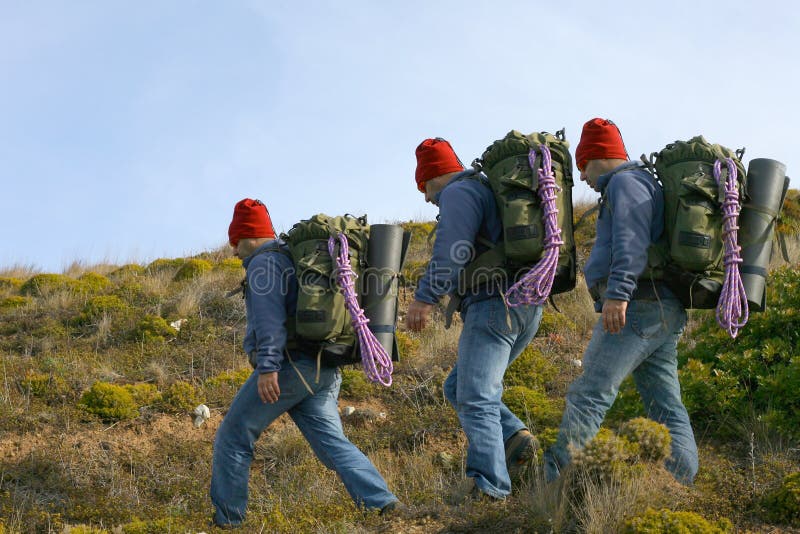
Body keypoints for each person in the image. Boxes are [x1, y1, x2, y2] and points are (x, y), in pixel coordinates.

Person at [210, 198, 401, 528]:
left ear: (249, 236)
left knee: (233, 436)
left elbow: (270, 321)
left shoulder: (264, 263)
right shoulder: (290, 256)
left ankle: (227, 522)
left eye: (236, 241)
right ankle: (382, 502)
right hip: (322, 367)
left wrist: (268, 367)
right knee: (332, 445)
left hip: (290, 367)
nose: (234, 250)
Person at [543, 118, 699, 484]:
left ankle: (555, 484)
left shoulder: (625, 182)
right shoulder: (642, 181)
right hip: (661, 307)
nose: (583, 176)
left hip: (637, 308)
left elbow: (631, 241)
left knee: (589, 393)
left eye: (584, 165)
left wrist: (618, 293)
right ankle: (681, 479)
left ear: (599, 156)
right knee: (665, 402)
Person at [405, 138, 544, 500]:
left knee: (475, 396)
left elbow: (452, 249)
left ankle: (490, 488)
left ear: (432, 175)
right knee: (458, 387)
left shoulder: (457, 192)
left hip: (494, 304)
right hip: (527, 305)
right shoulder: (483, 187)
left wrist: (425, 297)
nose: (426, 199)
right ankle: (514, 438)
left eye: (424, 187)